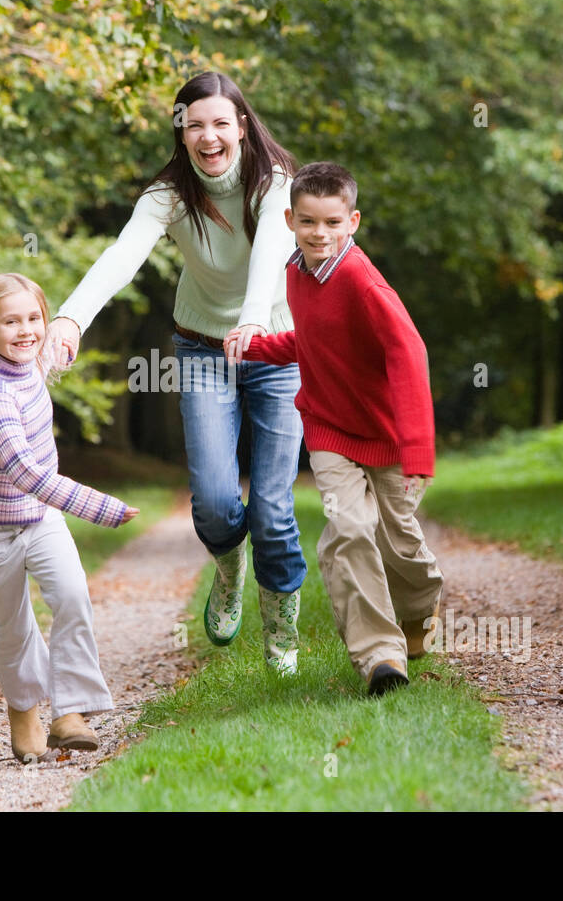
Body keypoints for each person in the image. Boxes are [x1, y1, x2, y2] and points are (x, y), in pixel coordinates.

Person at [45, 71, 307, 675]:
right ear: (182, 132)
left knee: (272, 507)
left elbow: (271, 250)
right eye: (196, 125)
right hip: (200, 351)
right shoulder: (167, 195)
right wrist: (70, 318)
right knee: (216, 504)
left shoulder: (277, 187)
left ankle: (281, 636)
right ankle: (228, 566)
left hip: (275, 349)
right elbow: (123, 255)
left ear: (241, 127)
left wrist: (250, 323)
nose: (208, 136)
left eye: (221, 123)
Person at [225, 162, 444, 696]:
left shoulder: (362, 282)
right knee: (347, 531)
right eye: (307, 222)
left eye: (330, 222)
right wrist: (255, 346)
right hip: (327, 428)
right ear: (290, 220)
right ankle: (380, 658)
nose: (318, 233)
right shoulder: (296, 272)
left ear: (353, 222)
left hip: (387, 436)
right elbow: (312, 343)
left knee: (403, 546)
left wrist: (416, 451)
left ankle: (417, 618)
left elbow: (409, 353)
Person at [0, 273, 139, 763]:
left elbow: (61, 343)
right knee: (15, 624)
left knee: (73, 595)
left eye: (34, 318)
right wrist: (104, 508)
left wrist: (68, 326)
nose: (27, 330)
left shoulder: (33, 357)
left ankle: (70, 711)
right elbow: (27, 475)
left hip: (40, 519)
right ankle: (24, 711)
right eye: (11, 321)